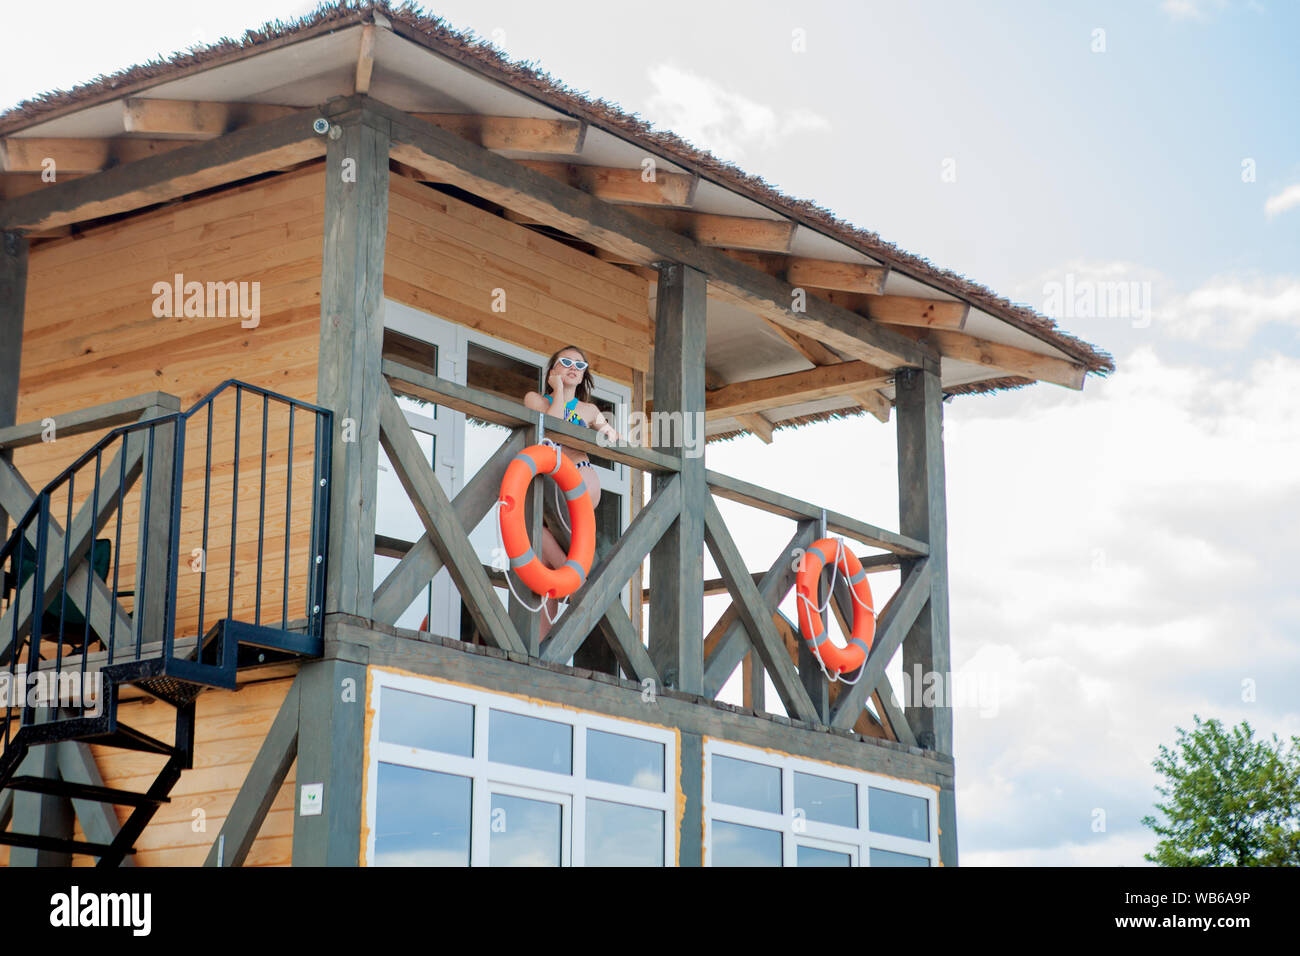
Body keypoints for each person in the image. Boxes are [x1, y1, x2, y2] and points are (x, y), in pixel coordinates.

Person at [522, 345, 618, 640]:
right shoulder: (535, 399)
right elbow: (550, 428)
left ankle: (577, 584)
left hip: (580, 480)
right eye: (565, 363)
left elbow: (612, 439)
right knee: (540, 556)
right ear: (553, 370)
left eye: (580, 365)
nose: (573, 367)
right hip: (549, 484)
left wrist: (607, 428)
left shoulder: (590, 410)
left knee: (538, 536)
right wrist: (558, 391)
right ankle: (544, 643)